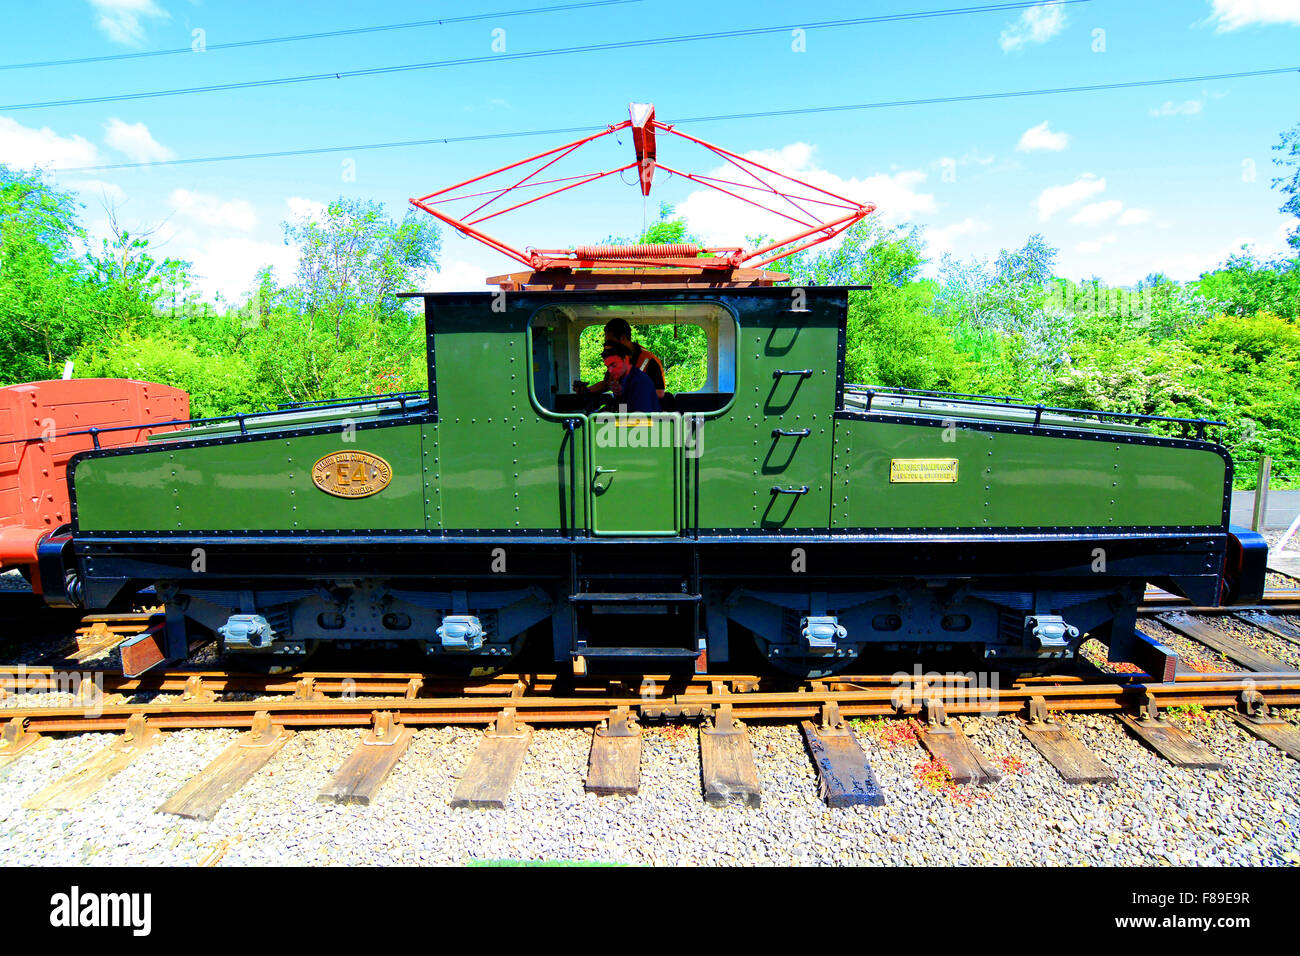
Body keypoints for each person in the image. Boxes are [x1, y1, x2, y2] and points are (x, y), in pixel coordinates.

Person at [577, 318, 666, 400]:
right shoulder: (616, 358)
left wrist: (629, 390)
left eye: (610, 341)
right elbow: (607, 383)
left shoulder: (649, 360)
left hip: (645, 411)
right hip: (623, 408)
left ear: (623, 338)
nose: (608, 344)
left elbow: (660, 393)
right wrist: (586, 390)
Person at [600, 342, 660, 413]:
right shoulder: (625, 380)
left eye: (614, 365)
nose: (610, 371)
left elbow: (641, 419)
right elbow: (623, 413)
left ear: (625, 359)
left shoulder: (640, 382)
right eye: (607, 367)